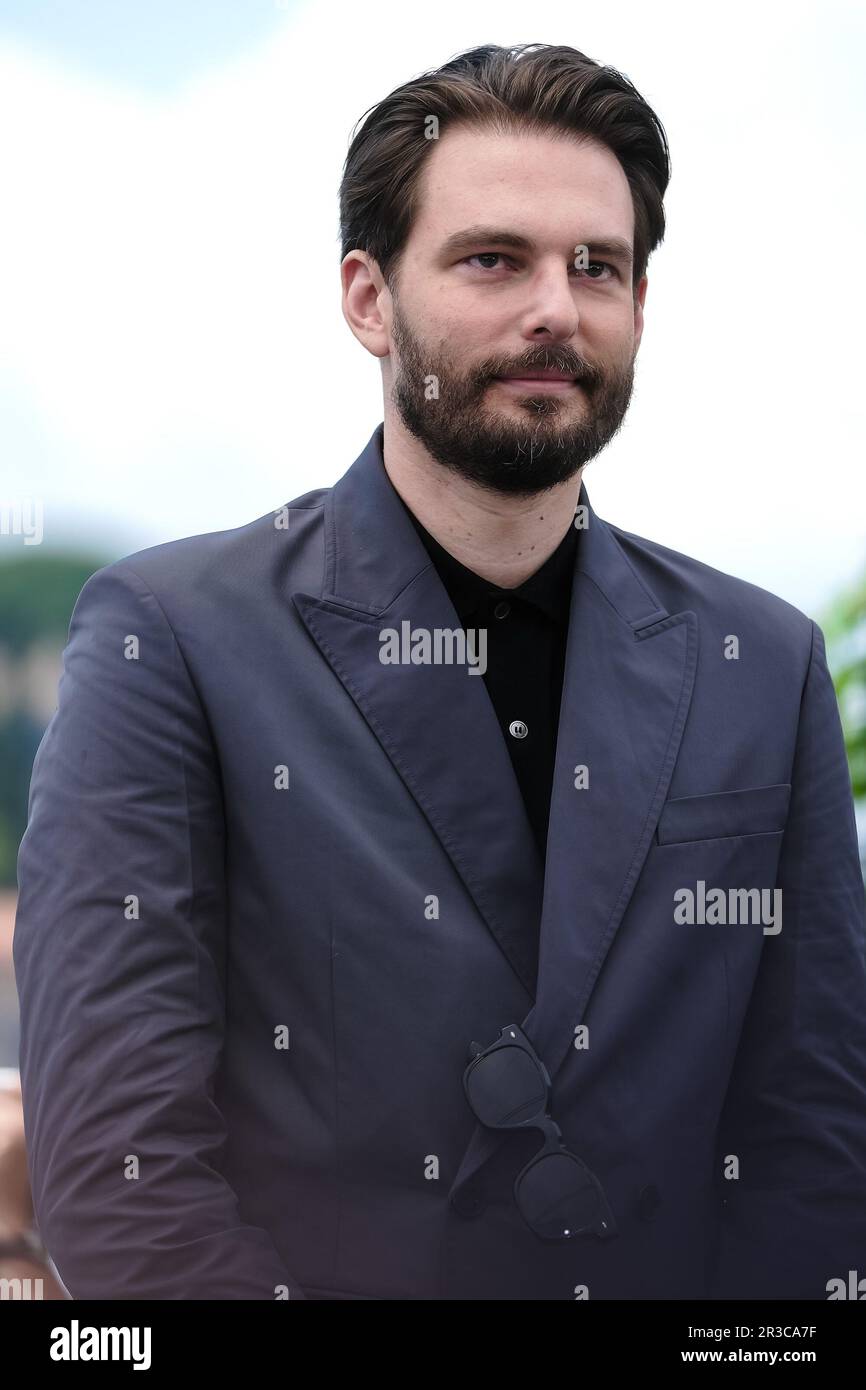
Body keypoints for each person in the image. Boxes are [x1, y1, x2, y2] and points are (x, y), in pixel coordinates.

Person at [13, 43, 866, 1301]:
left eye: (598, 266)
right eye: (491, 259)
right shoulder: (170, 633)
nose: (554, 310)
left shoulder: (760, 658)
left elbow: (813, 1132)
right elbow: (120, 1159)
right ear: (367, 298)